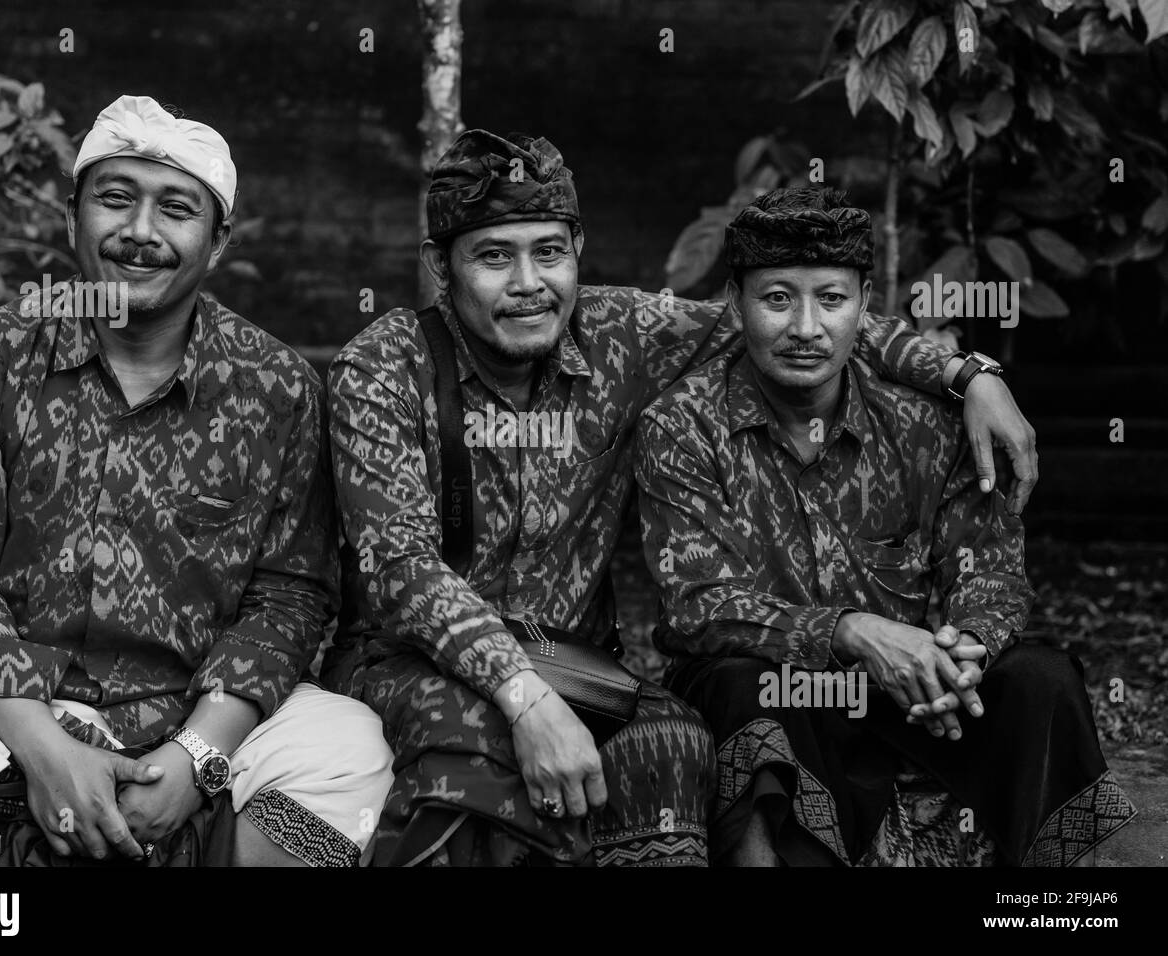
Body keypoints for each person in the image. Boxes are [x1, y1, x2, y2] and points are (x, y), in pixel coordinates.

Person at [322, 129, 1041, 865]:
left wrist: (968, 375)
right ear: (440, 267)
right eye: (494, 256)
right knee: (477, 745)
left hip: (575, 663)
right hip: (412, 662)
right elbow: (401, 568)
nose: (529, 283)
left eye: (549, 251)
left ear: (577, 250)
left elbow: (798, 312)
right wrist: (524, 697)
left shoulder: (620, 335)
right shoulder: (383, 369)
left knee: (675, 743)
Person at [0, 94, 392, 868]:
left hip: (190, 702)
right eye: (116, 199)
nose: (141, 233)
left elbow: (290, 597)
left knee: (351, 746)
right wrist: (49, 752)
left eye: (176, 209)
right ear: (73, 214)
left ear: (217, 242)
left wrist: (196, 759)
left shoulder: (275, 388)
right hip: (3, 700)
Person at [634, 185, 1136, 866]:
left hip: (911, 696)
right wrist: (853, 633)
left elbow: (990, 572)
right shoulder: (683, 424)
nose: (806, 327)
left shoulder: (928, 421)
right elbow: (697, 605)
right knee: (738, 682)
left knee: (1041, 678)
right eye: (777, 298)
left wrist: (966, 654)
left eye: (831, 300)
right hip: (785, 693)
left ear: (865, 306)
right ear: (737, 302)